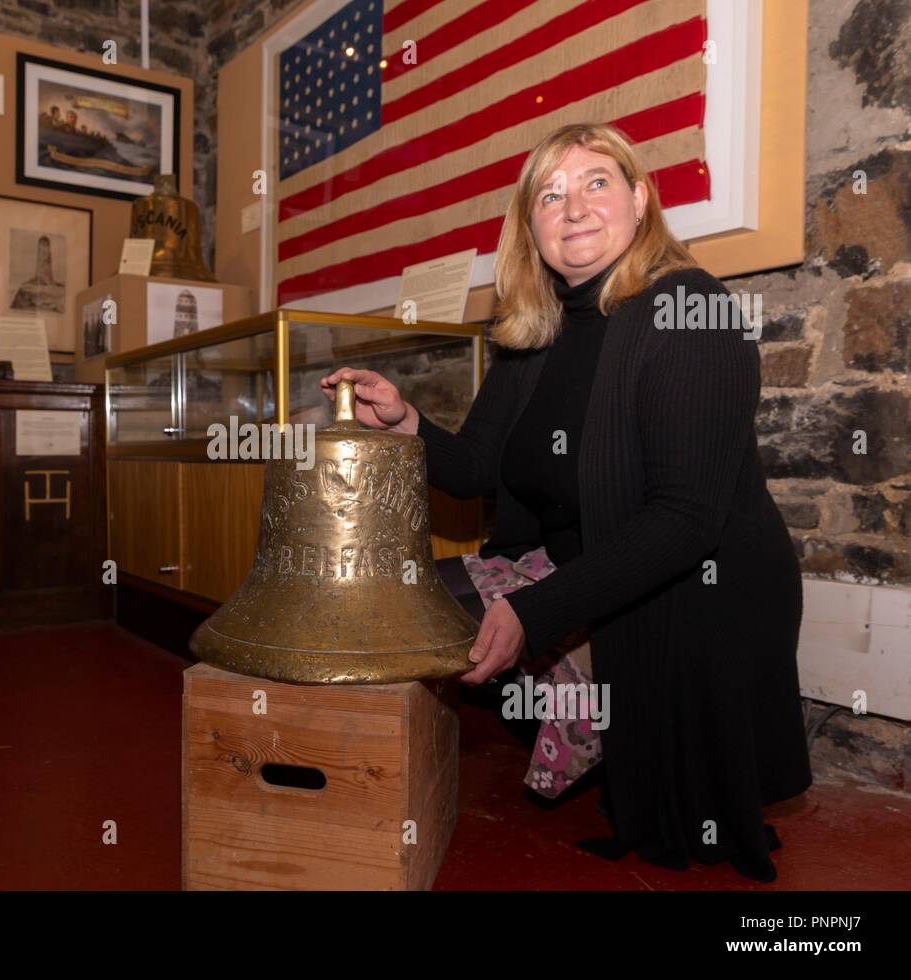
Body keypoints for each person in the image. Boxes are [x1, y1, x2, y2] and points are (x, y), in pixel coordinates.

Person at [320, 122, 811, 882]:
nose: (573, 207)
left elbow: (684, 520)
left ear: (641, 201)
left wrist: (537, 613)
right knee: (408, 608)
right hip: (580, 572)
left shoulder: (690, 314)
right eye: (550, 195)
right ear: (531, 228)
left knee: (658, 799)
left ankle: (593, 717)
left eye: (596, 184)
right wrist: (406, 422)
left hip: (694, 594)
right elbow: (480, 467)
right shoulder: (535, 332)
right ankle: (574, 715)